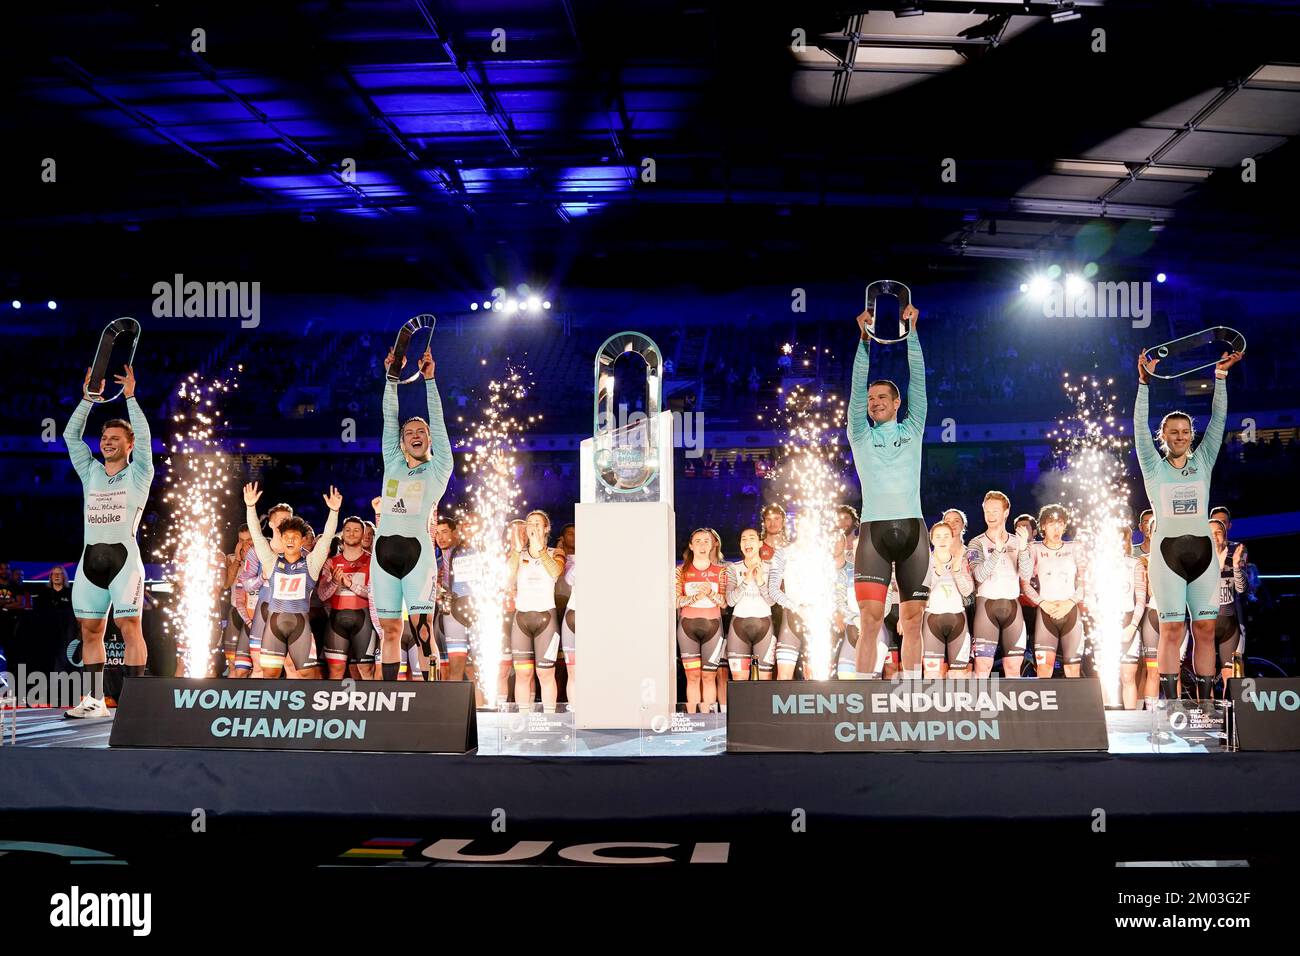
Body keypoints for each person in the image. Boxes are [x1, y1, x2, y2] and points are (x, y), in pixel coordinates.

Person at [1135, 347, 1242, 704]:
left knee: (1205, 629)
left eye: (1184, 431)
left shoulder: (1205, 459)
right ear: (1162, 436)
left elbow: (1219, 419)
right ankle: (1170, 706)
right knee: (1171, 629)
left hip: (1203, 556)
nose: (1179, 436)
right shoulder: (1153, 465)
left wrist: (1221, 377)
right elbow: (1138, 426)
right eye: (1172, 432)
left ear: (1191, 435)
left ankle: (1206, 705)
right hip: (1167, 558)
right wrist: (1143, 383)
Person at [63, 364, 154, 719]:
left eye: (115, 438)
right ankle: (94, 700)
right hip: (90, 563)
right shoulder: (91, 471)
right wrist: (87, 400)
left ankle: (135, 702)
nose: (107, 442)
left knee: (129, 627)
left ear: (129, 446)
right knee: (90, 630)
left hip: (125, 562)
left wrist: (130, 396)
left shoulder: (139, 472)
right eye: (104, 438)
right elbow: (72, 437)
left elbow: (146, 438)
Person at [847, 301, 928, 678]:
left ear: (897, 403)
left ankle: (913, 694)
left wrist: (912, 334)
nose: (875, 402)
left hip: (914, 531)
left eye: (883, 397)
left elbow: (919, 381)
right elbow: (856, 388)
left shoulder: (912, 430)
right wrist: (864, 342)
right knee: (870, 621)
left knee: (912, 622)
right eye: (871, 398)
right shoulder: (860, 435)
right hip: (873, 533)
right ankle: (861, 696)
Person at [374, 344, 453, 681]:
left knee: (422, 631)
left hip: (418, 557)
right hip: (382, 556)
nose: (415, 435)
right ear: (402, 443)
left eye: (421, 432)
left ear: (430, 439)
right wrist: (392, 378)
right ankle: (388, 700)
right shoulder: (392, 462)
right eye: (409, 433)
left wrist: (430, 381)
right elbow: (388, 418)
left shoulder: (438, 468)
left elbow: (438, 419)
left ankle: (433, 699)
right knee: (390, 632)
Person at [242, 482, 340, 679]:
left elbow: (327, 537)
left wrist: (334, 511)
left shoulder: (311, 564)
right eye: (287, 536)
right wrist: (250, 507)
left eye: (295, 537)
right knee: (269, 673)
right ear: (281, 536)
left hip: (300, 626)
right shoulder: (271, 562)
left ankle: (309, 709)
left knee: (305, 673)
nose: (290, 541)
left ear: (302, 540)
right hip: (274, 624)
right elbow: (256, 535)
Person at [965, 491, 1032, 679]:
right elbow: (979, 575)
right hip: (986, 607)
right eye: (987, 511)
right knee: (983, 667)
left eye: (995, 511)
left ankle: (1013, 709)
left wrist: (1024, 547)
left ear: (1006, 512)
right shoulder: (976, 542)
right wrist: (997, 552)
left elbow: (1026, 575)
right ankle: (978, 707)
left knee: (1013, 667)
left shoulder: (1017, 542)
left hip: (1013, 607)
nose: (990, 515)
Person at [508, 510, 564, 712]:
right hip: (521, 618)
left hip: (546, 619)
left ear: (546, 528)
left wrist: (540, 549)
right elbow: (507, 579)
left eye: (538, 524)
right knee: (523, 674)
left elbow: (556, 572)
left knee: (545, 674)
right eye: (529, 523)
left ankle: (549, 720)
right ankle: (523, 720)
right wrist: (515, 551)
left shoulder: (555, 552)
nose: (533, 527)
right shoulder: (519, 553)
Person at [1021, 504, 1086, 679]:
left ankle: (1074, 706)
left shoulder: (1075, 548)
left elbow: (1085, 582)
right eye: (1051, 524)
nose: (1056, 528)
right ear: (1042, 526)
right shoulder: (1034, 548)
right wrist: (1043, 603)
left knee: (1072, 670)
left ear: (1065, 525)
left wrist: (1070, 602)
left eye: (1060, 523)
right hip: (1045, 613)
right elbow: (1025, 584)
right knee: (1044, 670)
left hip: (1070, 611)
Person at [317, 516, 376, 680]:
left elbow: (373, 594)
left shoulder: (372, 561)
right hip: (337, 619)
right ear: (342, 534)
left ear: (363, 534)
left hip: (364, 619)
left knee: (366, 669)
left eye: (356, 530)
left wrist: (350, 585)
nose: (351, 533)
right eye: (348, 530)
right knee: (336, 671)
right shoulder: (331, 562)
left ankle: (370, 705)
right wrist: (335, 582)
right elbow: (322, 595)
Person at [676, 529, 727, 712]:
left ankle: (709, 721)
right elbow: (676, 600)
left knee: (708, 677)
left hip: (713, 628)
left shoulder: (721, 571)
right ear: (691, 546)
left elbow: (724, 603)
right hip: (687, 628)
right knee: (693, 677)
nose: (702, 545)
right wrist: (696, 597)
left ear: (713, 544)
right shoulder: (680, 571)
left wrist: (711, 593)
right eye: (697, 541)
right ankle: (692, 721)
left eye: (706, 541)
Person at [922, 522, 974, 679]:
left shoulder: (960, 561)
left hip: (958, 619)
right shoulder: (924, 562)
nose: (942, 540)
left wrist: (957, 569)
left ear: (952, 539)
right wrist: (937, 572)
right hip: (932, 619)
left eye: (946, 536)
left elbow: (967, 591)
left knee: (959, 675)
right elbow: (921, 593)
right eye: (938, 536)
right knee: (932, 675)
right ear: (931, 540)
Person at [725, 528, 775, 680]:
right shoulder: (733, 568)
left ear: (760, 543)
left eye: (751, 538)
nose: (747, 542)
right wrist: (746, 580)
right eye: (743, 539)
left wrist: (760, 580)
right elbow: (730, 600)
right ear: (740, 545)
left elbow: (772, 601)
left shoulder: (771, 567)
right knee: (739, 679)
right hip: (739, 625)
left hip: (764, 624)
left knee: (765, 679)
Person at [1116, 526, 1152, 710]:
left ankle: (1129, 722)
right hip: (1104, 625)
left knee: (1128, 676)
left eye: (1123, 539)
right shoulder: (1097, 565)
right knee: (1104, 676)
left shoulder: (1135, 563)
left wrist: (1132, 626)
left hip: (1128, 622)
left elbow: (1141, 599)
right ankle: (1106, 721)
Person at [1210, 518, 1247, 695]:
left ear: (1224, 536)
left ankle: (1231, 717)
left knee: (1230, 676)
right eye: (1210, 533)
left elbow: (1241, 589)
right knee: (1206, 675)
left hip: (1229, 626)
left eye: (1218, 532)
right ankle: (1205, 717)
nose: (1214, 536)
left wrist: (1235, 566)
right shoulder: (1198, 563)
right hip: (1206, 626)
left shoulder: (1234, 560)